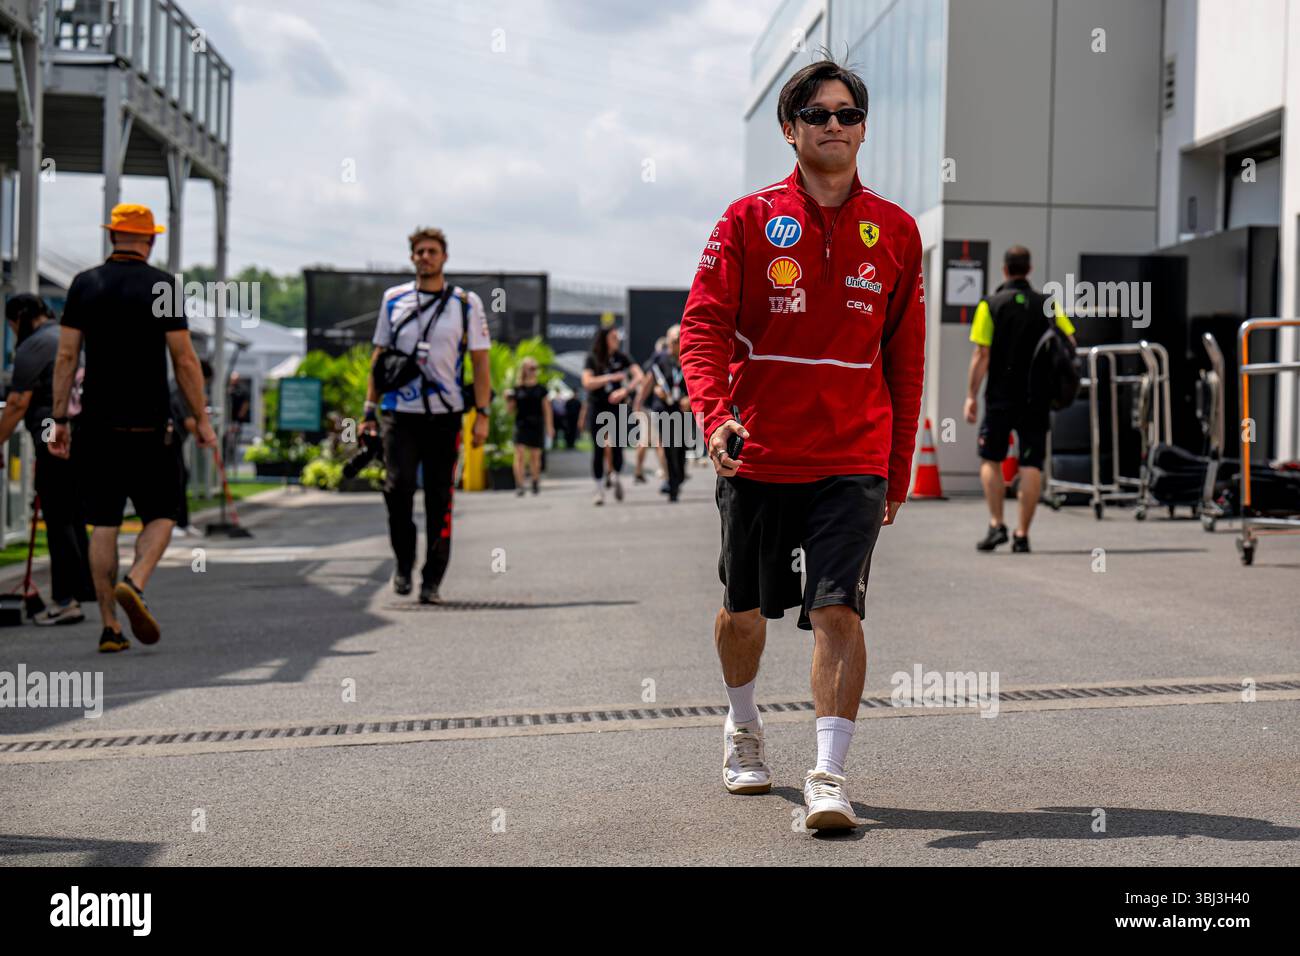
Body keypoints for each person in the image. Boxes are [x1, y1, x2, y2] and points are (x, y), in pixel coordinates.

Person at [680, 57, 926, 830]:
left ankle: (828, 773)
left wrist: (897, 468)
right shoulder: (747, 221)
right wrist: (714, 413)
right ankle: (743, 725)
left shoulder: (895, 230)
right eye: (816, 114)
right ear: (790, 130)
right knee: (743, 611)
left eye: (847, 113)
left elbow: (906, 358)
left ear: (862, 126)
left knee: (839, 613)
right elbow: (704, 328)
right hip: (758, 452)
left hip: (851, 455)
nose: (833, 125)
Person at [49, 203, 217, 653]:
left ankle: (109, 627)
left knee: (102, 523)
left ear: (112, 238)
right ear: (151, 240)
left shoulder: (84, 285)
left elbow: (66, 358)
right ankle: (136, 582)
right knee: (162, 514)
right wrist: (201, 418)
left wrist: (59, 420)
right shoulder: (163, 286)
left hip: (96, 429)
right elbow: (184, 360)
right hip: (151, 428)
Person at [361, 226, 491, 604]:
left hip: (445, 414)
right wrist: (369, 411)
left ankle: (432, 579)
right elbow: (379, 359)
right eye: (419, 251)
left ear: (444, 257)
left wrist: (482, 414)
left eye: (432, 251)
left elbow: (480, 363)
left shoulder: (465, 304)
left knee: (440, 497)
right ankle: (404, 561)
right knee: (397, 488)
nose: (425, 257)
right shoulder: (394, 300)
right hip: (399, 412)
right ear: (411, 257)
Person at [963, 245, 1076, 553]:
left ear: (1004, 270)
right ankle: (1022, 534)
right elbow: (1070, 342)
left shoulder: (991, 304)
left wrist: (971, 395)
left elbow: (981, 353)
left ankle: (997, 524)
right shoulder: (1048, 304)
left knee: (991, 458)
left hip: (1000, 397)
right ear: (1030, 269)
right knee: (1031, 464)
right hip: (1036, 399)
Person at [0, 294, 95, 625]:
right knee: (73, 513)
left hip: (51, 432)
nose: (13, 333)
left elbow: (16, 403)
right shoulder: (68, 337)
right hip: (81, 432)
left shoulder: (32, 347)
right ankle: (82, 589)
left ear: (21, 318)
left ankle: (65, 600)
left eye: (12, 326)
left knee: (57, 516)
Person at [581, 326, 640, 506]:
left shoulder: (622, 358)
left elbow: (639, 376)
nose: (618, 339)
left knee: (619, 446)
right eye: (614, 336)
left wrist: (625, 390)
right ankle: (599, 489)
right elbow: (587, 382)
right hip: (598, 407)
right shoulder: (593, 358)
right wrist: (610, 378)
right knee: (599, 448)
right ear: (605, 338)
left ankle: (615, 475)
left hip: (618, 407)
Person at [637, 324, 691, 502]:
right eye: (672, 340)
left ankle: (679, 476)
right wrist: (639, 402)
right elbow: (649, 380)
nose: (675, 344)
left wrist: (691, 399)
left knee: (681, 447)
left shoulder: (689, 357)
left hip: (683, 410)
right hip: (663, 409)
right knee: (668, 446)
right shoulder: (660, 359)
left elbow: (698, 382)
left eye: (678, 340)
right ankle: (672, 482)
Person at [169, 358, 214, 536]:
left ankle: (182, 522)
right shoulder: (182, 387)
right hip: (168, 438)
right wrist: (204, 436)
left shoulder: (181, 385)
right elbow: (189, 421)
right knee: (176, 478)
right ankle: (174, 523)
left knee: (181, 476)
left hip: (174, 438)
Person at [505, 357, 553, 496]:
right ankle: (519, 485)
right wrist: (508, 398)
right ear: (524, 370)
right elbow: (510, 410)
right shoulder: (517, 389)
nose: (533, 371)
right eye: (531, 368)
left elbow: (547, 410)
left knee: (535, 456)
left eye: (535, 368)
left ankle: (535, 481)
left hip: (536, 424)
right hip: (521, 424)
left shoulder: (541, 389)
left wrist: (550, 427)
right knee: (519, 454)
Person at [633, 336, 669, 484]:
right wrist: (638, 403)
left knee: (645, 441)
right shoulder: (654, 365)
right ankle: (666, 474)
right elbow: (645, 384)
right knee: (657, 442)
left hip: (648, 407)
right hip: (650, 408)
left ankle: (638, 470)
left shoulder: (653, 364)